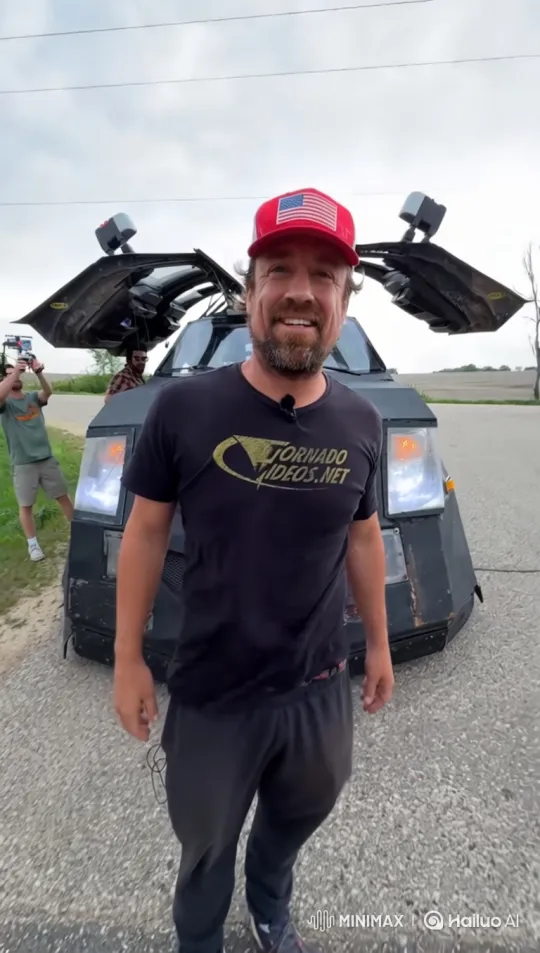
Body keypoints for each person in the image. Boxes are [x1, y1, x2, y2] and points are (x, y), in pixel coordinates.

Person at [113, 187, 395, 953]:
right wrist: (128, 655)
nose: (300, 290)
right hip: (212, 695)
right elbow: (143, 532)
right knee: (205, 842)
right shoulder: (181, 410)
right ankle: (199, 935)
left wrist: (377, 644)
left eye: (323, 275)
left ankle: (270, 902)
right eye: (279, 269)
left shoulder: (364, 423)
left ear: (343, 299)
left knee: (304, 810)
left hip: (317, 687)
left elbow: (364, 539)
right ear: (251, 291)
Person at [0, 357, 73, 561]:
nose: (14, 376)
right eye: (8, 374)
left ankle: (78, 533)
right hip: (23, 463)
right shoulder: (5, 405)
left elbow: (48, 392)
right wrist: (15, 371)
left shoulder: (32, 398)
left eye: (16, 373)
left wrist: (38, 371)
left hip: (46, 459)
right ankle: (33, 546)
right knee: (26, 505)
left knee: (63, 496)